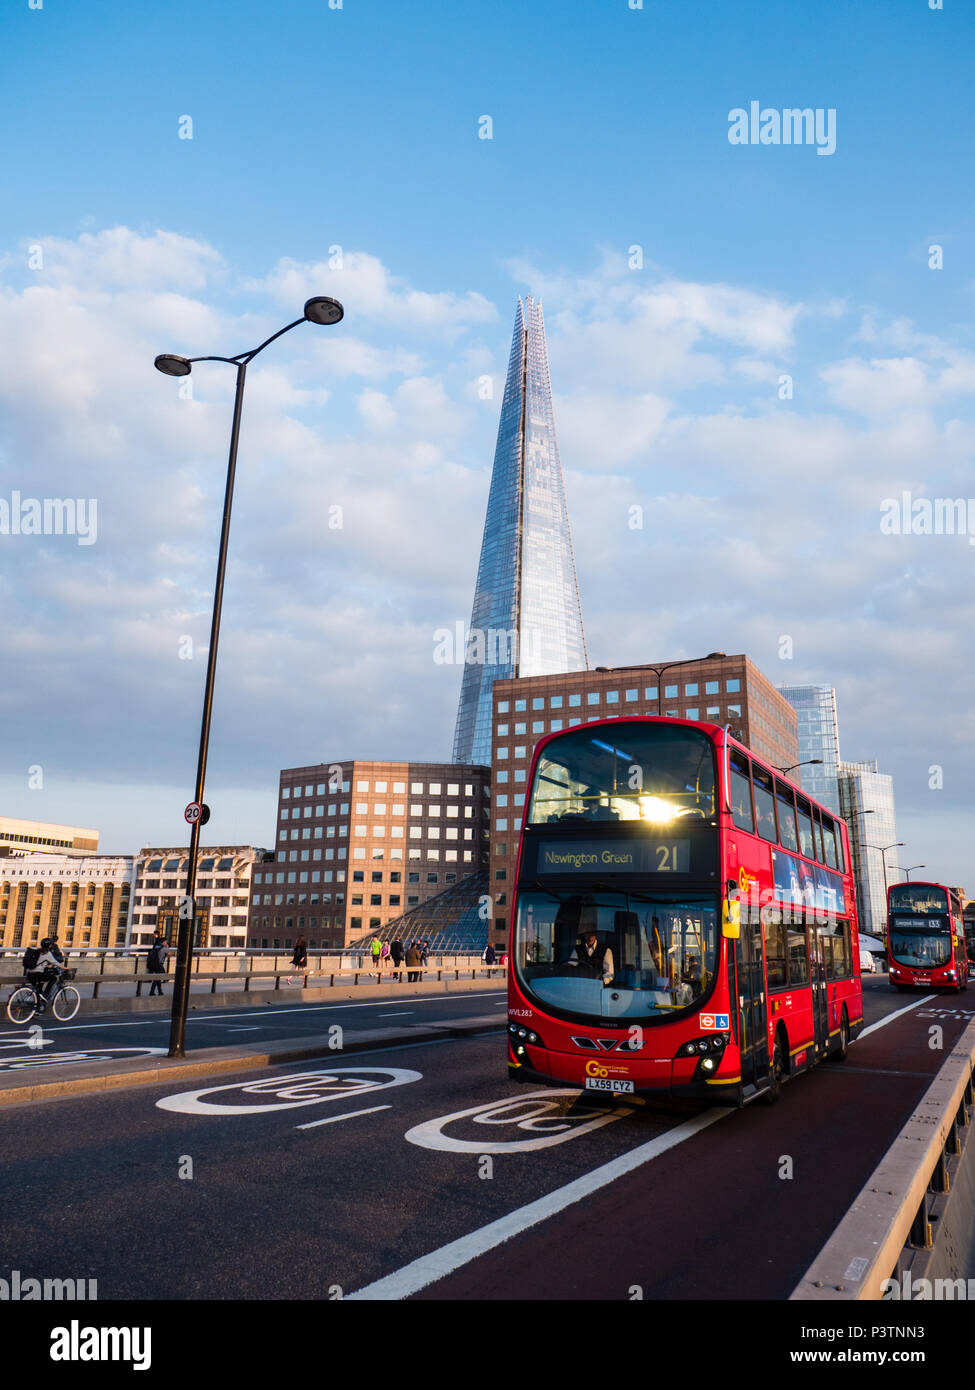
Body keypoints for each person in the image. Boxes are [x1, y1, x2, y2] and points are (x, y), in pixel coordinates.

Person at [29, 936, 68, 1007]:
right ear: (49, 946)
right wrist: (66, 968)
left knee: (39, 991)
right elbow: (56, 963)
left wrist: (46, 965)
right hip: (38, 974)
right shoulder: (47, 953)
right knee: (54, 978)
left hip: (30, 974)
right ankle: (46, 995)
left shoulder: (37, 951)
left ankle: (39, 1007)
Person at [147, 932, 170, 996]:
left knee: (157, 978)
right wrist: (167, 947)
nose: (166, 943)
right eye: (166, 942)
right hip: (159, 964)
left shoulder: (156, 946)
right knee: (158, 978)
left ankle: (156, 991)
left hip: (153, 964)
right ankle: (157, 992)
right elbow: (169, 954)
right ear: (164, 942)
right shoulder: (164, 948)